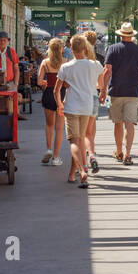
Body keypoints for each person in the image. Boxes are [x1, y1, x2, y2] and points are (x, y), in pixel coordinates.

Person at [98, 21, 138, 166]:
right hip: (134, 92)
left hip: (116, 91)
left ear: (121, 34)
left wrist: (103, 90)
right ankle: (128, 155)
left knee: (117, 123)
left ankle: (119, 152)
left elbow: (107, 71)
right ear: (131, 34)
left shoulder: (112, 49)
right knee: (129, 124)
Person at [56, 34, 100, 185]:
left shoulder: (66, 67)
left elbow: (56, 90)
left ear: (71, 48)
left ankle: (81, 171)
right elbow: (99, 82)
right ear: (84, 48)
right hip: (87, 107)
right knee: (81, 139)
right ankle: (71, 175)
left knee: (74, 142)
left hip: (72, 107)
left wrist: (59, 104)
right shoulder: (93, 65)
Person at [36, 37, 65, 167]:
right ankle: (55, 157)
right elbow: (68, 82)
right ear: (61, 49)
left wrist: (47, 83)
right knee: (59, 128)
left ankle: (48, 149)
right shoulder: (65, 63)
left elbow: (38, 81)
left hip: (48, 94)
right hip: (61, 94)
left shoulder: (45, 62)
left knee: (49, 125)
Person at [82, 31, 106, 175]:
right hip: (93, 96)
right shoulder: (99, 59)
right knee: (91, 129)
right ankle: (92, 150)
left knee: (80, 133)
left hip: (78, 99)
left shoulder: (75, 61)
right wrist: (103, 92)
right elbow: (101, 82)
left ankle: (84, 161)